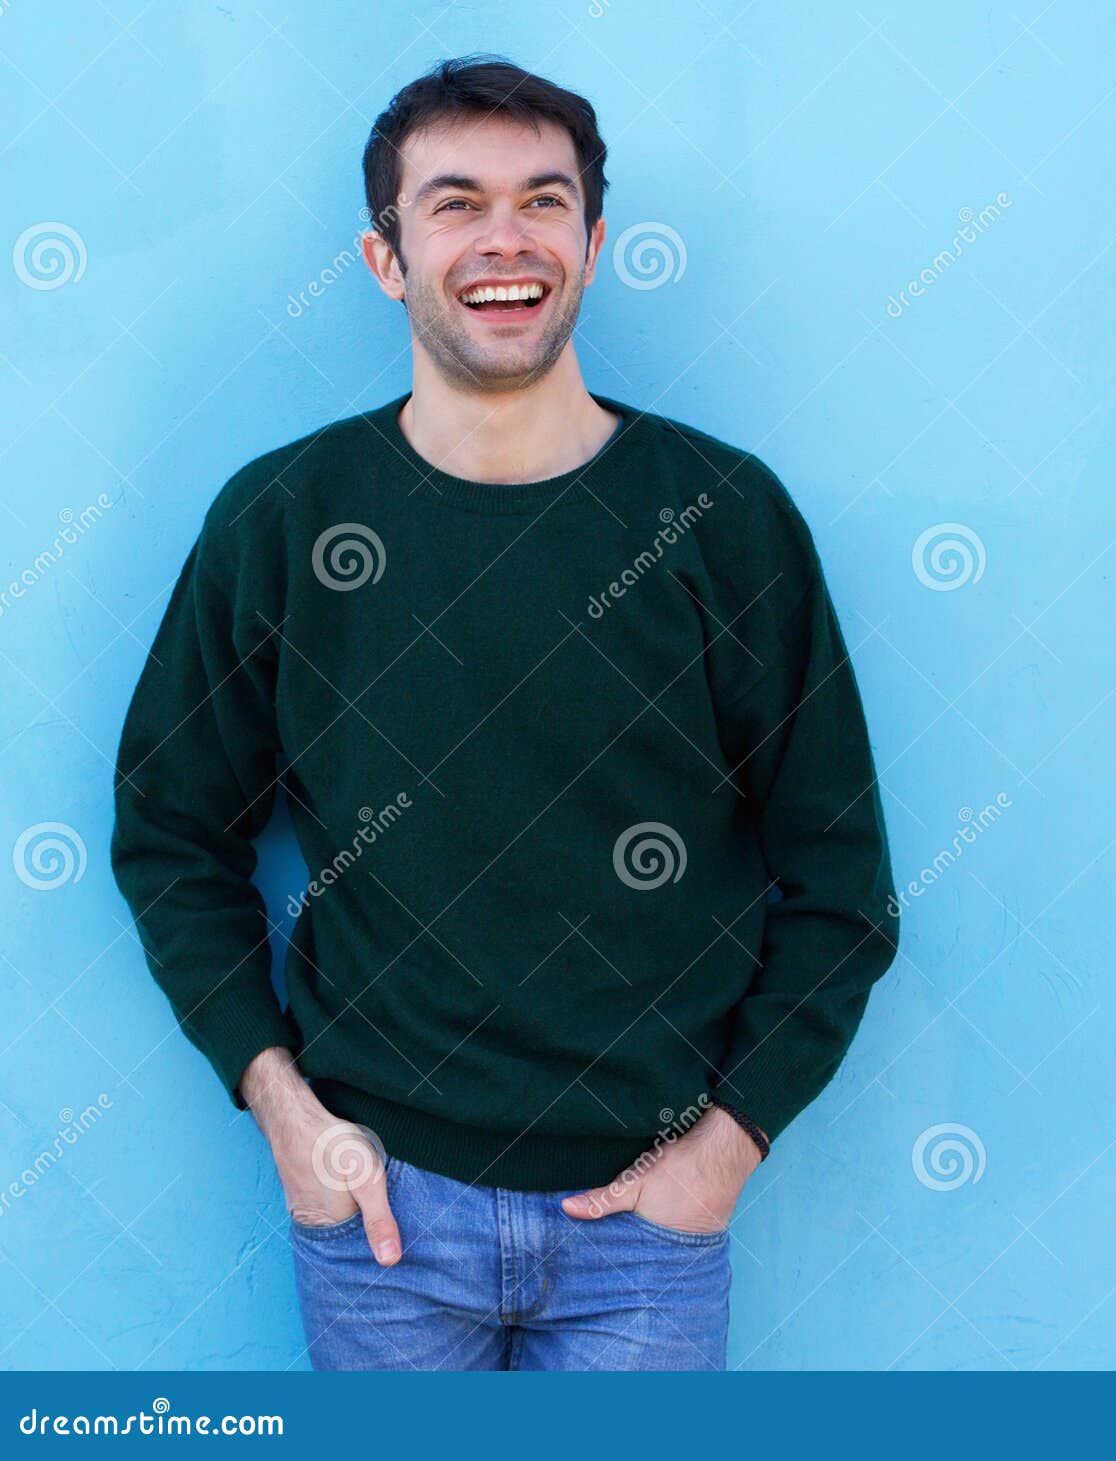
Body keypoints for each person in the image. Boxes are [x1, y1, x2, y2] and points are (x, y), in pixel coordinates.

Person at [109, 54, 899, 1371]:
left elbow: (843, 881)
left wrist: (725, 1149)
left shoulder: (721, 517)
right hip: (381, 1215)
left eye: (543, 199)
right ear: (384, 256)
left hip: (646, 1225)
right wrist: (285, 1112)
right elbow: (170, 834)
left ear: (594, 243)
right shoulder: (287, 520)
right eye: (455, 202)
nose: (503, 238)